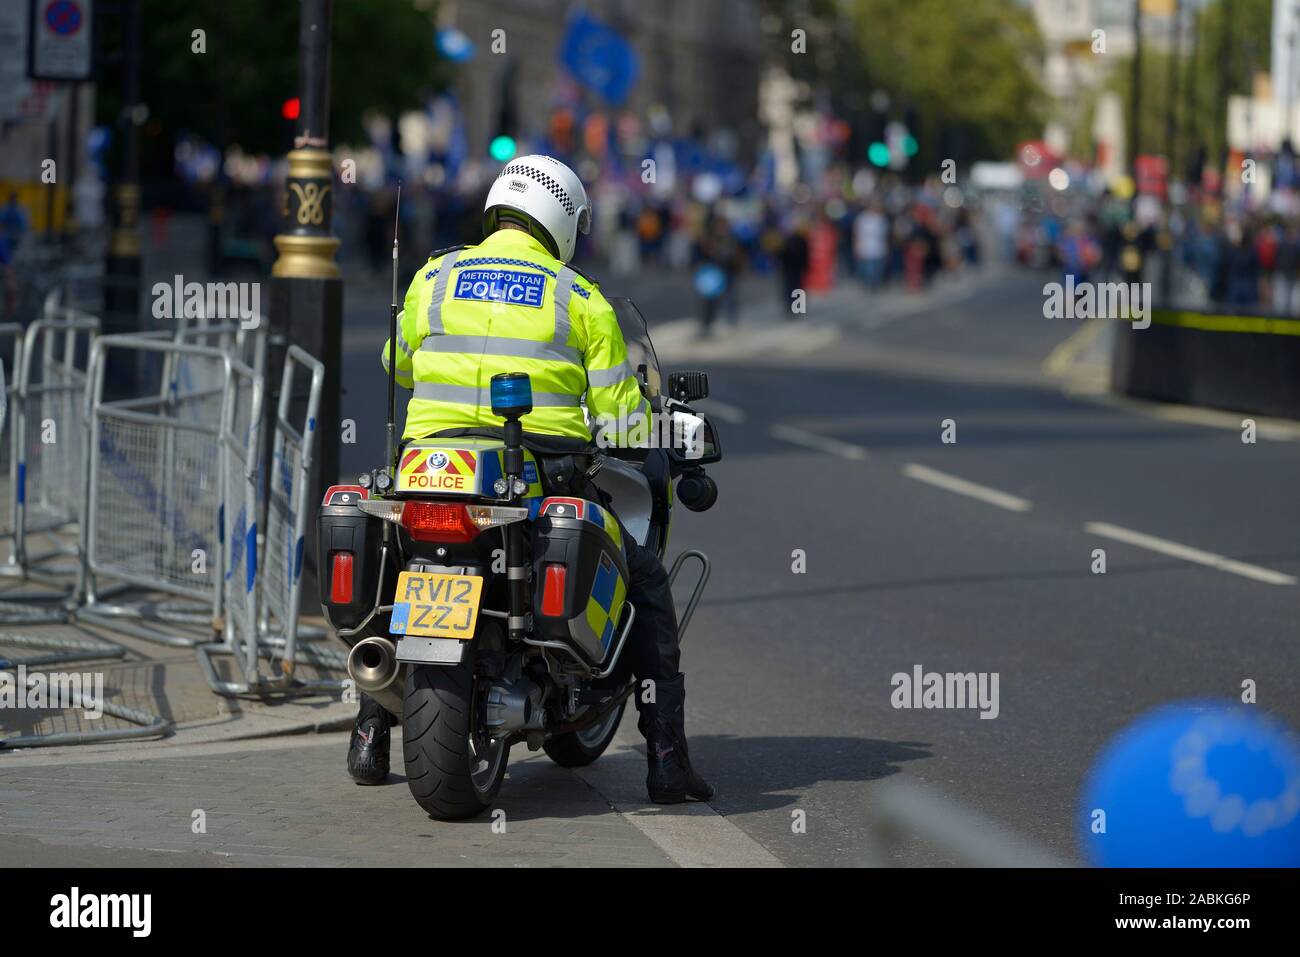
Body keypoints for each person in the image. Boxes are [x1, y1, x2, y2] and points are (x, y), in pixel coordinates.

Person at [352, 154, 713, 804]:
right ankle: (666, 757)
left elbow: (397, 363)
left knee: (396, 574)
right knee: (649, 583)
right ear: (565, 221)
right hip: (536, 479)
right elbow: (620, 422)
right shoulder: (579, 299)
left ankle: (371, 730)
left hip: (427, 470)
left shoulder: (433, 275)